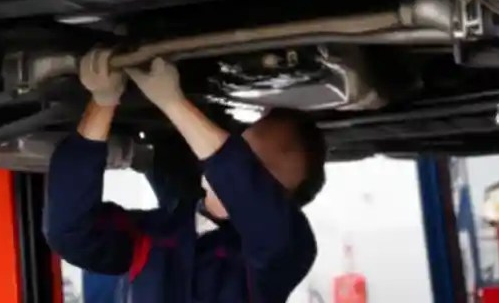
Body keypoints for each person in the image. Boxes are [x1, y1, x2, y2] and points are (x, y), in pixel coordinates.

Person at [45, 51, 326, 303]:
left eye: (263, 175)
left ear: (284, 205)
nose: (242, 176)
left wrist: (173, 103)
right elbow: (71, 230)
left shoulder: (285, 253)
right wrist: (103, 101)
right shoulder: (157, 234)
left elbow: (247, 193)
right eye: (246, 154)